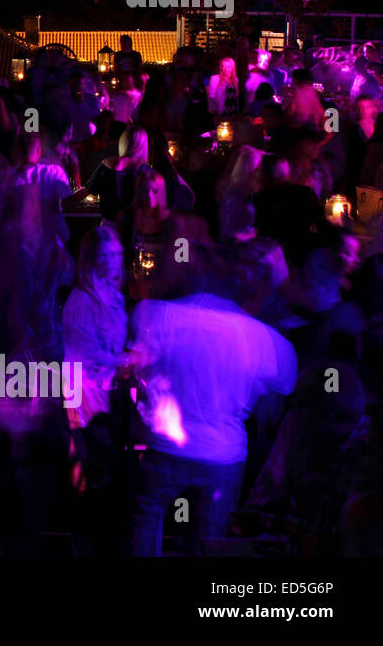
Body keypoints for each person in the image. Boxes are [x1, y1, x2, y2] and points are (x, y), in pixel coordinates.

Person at [127, 266, 298, 556]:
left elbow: (138, 363)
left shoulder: (157, 314)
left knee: (145, 523)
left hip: (166, 448)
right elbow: (288, 378)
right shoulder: (255, 334)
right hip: (223, 456)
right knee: (208, 544)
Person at [61, 226, 130, 428]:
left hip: (108, 389)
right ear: (92, 258)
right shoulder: (81, 302)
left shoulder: (115, 296)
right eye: (105, 254)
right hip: (85, 392)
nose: (112, 260)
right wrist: (125, 359)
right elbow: (85, 355)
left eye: (116, 254)